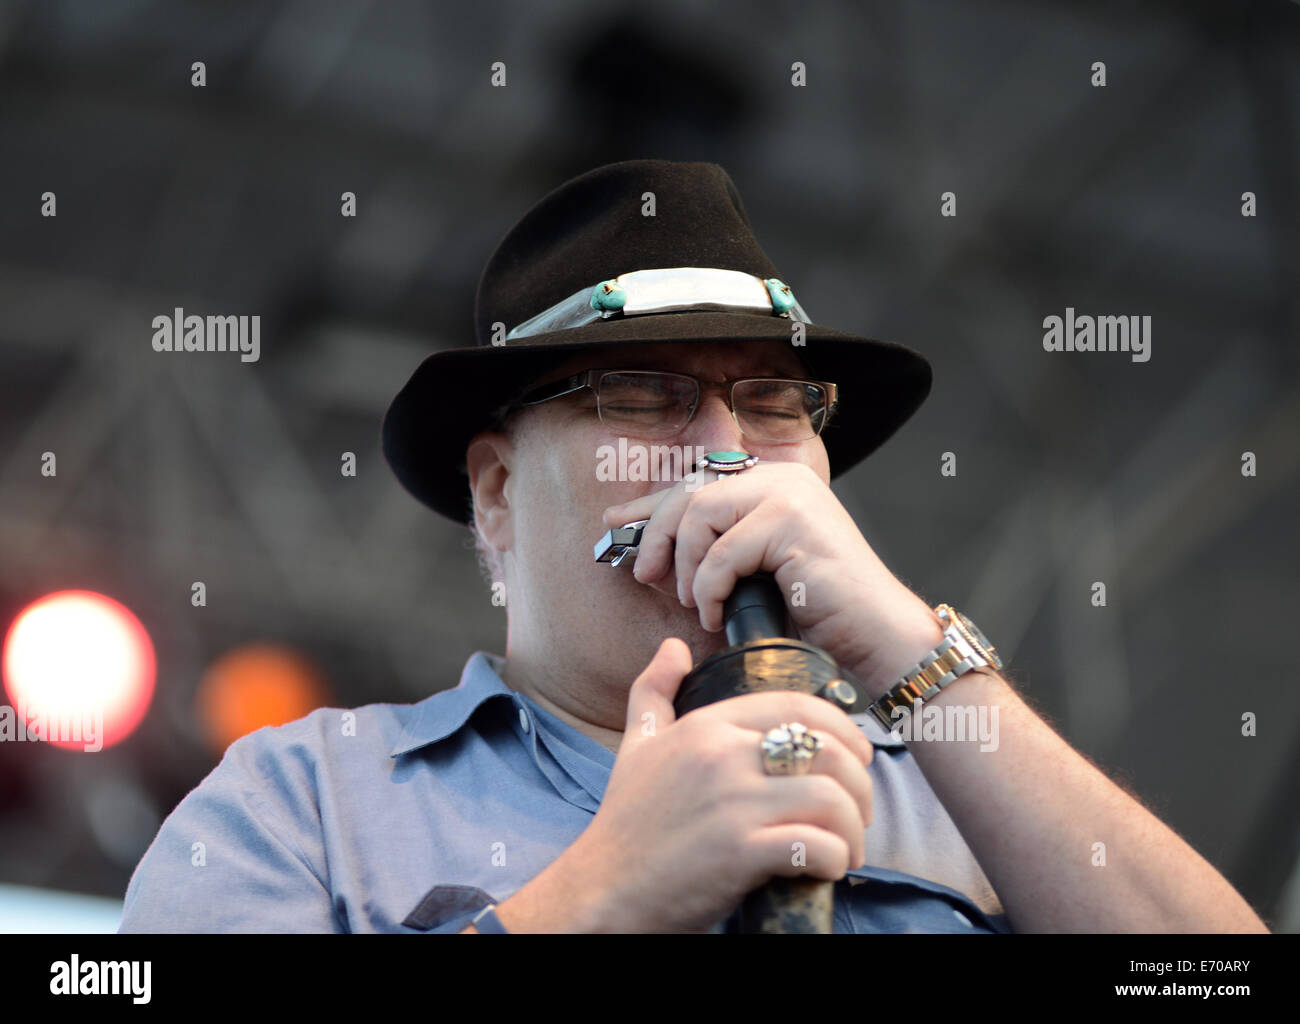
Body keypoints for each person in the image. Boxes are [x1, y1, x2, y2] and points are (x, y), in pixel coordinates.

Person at [118, 160, 1268, 934]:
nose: (728, 451)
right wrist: (604, 894)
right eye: (643, 395)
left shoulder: (964, 798)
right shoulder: (303, 799)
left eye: (774, 405)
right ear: (499, 487)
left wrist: (916, 655)